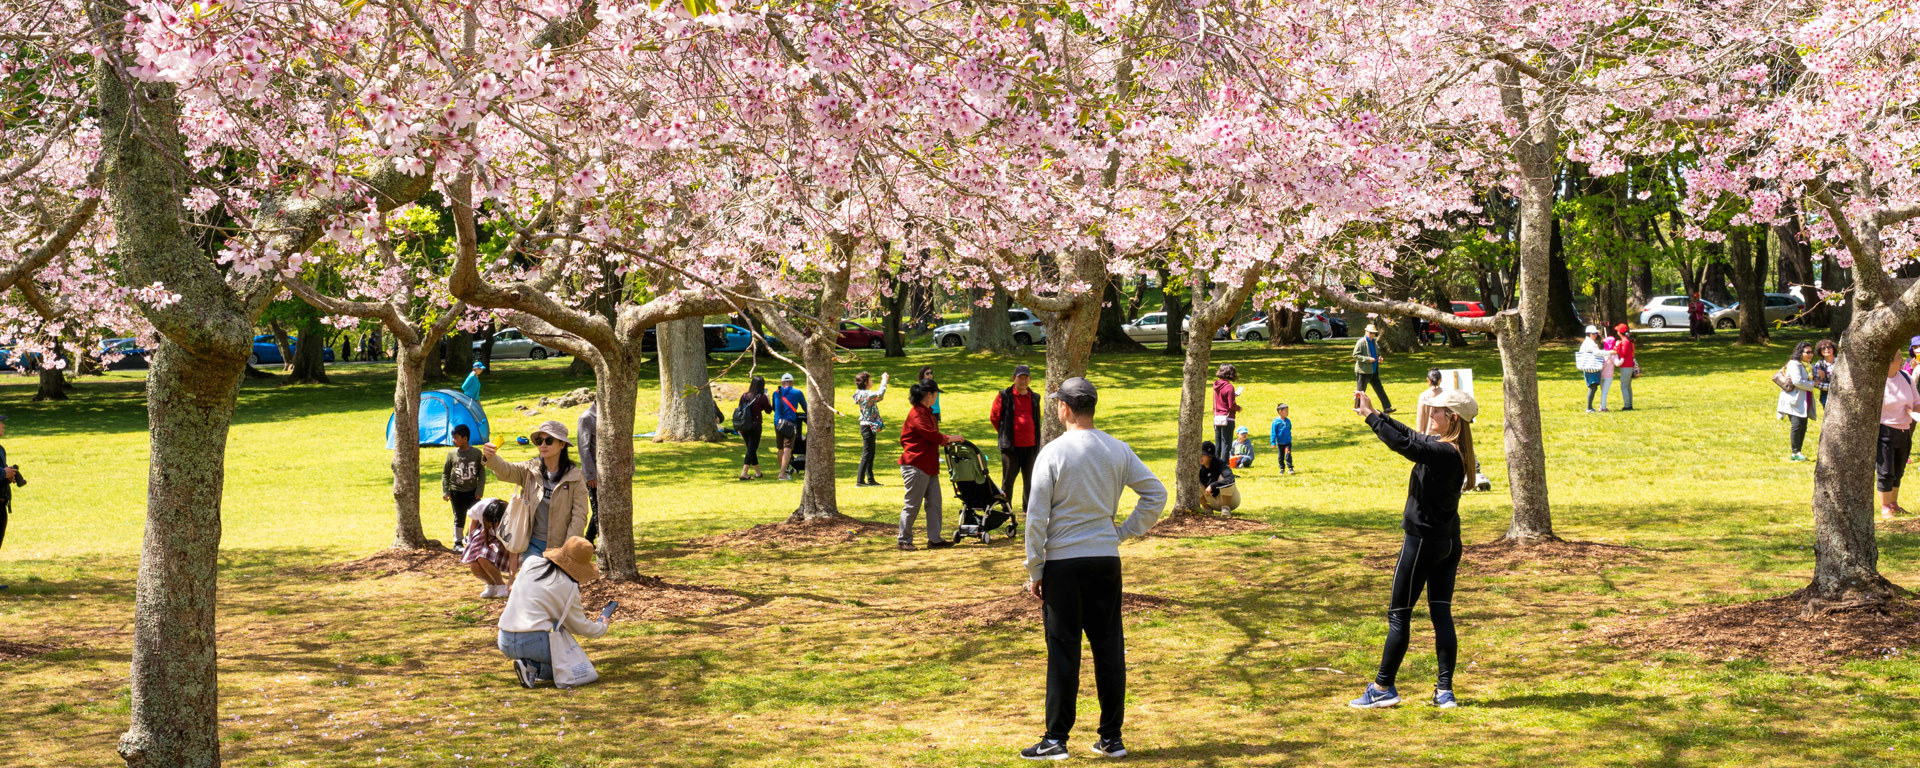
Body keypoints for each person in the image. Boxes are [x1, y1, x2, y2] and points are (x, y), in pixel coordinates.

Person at [1019, 377, 1166, 760]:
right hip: (1105, 560)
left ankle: (1056, 739)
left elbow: (1036, 517)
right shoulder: (1116, 449)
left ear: (1064, 408)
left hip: (1064, 563)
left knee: (1064, 649)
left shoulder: (1052, 453)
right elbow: (1156, 493)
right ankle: (1111, 737)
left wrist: (1035, 568)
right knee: (1108, 646)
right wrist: (1122, 532)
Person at [1347, 387, 1476, 711]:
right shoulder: (1454, 449)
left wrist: (1370, 421)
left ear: (1452, 417)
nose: (1430, 414)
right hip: (1448, 542)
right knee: (1441, 614)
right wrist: (1374, 413)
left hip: (1423, 543)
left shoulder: (1443, 453)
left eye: (1436, 411)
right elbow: (1412, 436)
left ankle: (1382, 687)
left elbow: (1404, 444)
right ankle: (1444, 692)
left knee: (1398, 615)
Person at [496, 536, 611, 688]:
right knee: (573, 665)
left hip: (504, 638)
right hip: (534, 641)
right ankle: (532, 667)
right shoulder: (568, 586)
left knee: (563, 663)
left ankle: (529, 665)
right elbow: (579, 625)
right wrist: (601, 625)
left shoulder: (531, 563)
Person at [482, 420, 592, 567]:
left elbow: (579, 516)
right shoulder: (530, 470)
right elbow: (506, 471)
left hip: (561, 546)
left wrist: (568, 549)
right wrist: (491, 457)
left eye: (549, 440)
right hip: (532, 544)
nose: (543, 445)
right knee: (532, 582)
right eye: (539, 441)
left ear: (562, 444)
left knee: (554, 587)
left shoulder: (575, 477)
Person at [899, 381, 962, 552]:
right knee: (912, 504)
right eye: (936, 393)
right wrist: (949, 438)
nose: (937, 396)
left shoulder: (927, 412)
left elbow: (930, 437)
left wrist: (945, 442)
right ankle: (904, 539)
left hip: (929, 465)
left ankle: (935, 539)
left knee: (934, 503)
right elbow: (929, 434)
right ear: (929, 395)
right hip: (916, 465)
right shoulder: (917, 414)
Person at [991, 364, 1042, 512]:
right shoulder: (1004, 395)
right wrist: (1005, 434)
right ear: (1014, 378)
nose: (1023, 381)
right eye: (1020, 378)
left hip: (1031, 446)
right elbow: (994, 417)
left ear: (1030, 379)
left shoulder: (1035, 397)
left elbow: (1036, 419)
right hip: (1010, 448)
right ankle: (1006, 508)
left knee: (1030, 480)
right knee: (1008, 480)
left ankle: (1028, 508)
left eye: (1026, 378)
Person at [1880, 356, 1920, 518]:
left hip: (1905, 429)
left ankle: (1894, 503)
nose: (1902, 359)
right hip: (1885, 430)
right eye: (1898, 356)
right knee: (1886, 470)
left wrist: (1916, 412)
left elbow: (1917, 400)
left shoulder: (1905, 376)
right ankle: (1885, 507)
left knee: (1899, 469)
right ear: (1889, 360)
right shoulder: (1880, 380)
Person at [442, 424, 487, 547]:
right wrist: (446, 491)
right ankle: (457, 542)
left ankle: (470, 536)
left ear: (465, 439)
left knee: (478, 514)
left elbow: (482, 473)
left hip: (473, 493)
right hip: (456, 493)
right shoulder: (451, 454)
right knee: (459, 517)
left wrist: (480, 489)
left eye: (455, 438)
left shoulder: (477, 453)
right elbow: (445, 473)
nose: (453, 440)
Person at [1775, 342, 1821, 462]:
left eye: (1811, 352)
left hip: (1805, 399)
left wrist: (1818, 379)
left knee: (1803, 426)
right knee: (1797, 425)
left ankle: (1798, 452)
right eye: (1807, 352)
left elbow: (1815, 378)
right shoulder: (1795, 364)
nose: (1810, 355)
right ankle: (1795, 452)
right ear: (1800, 352)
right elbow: (1797, 381)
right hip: (1793, 400)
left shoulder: (1809, 365)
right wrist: (1813, 384)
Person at [461, 498, 513, 597]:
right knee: (474, 566)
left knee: (482, 557)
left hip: (503, 534)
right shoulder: (479, 508)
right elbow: (473, 522)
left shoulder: (508, 513)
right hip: (482, 531)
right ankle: (491, 585)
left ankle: (500, 585)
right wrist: (470, 539)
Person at [853, 371, 889, 487]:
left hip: (868, 425)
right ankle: (860, 481)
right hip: (867, 426)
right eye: (870, 379)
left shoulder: (861, 393)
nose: (872, 381)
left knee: (871, 453)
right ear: (865, 382)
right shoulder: (866, 394)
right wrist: (884, 381)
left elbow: (877, 399)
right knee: (867, 453)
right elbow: (880, 394)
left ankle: (870, 479)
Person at [737, 375, 773, 480]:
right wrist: (768, 399)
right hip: (755, 426)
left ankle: (758, 472)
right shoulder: (762, 397)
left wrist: (739, 427)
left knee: (750, 449)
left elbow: (740, 410)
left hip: (744, 425)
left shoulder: (744, 396)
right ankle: (744, 473)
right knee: (751, 449)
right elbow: (769, 410)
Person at [1352, 323, 1395, 413]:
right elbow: (1355, 355)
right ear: (1366, 332)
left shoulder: (1374, 343)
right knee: (1360, 392)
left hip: (1374, 371)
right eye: (1370, 333)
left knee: (1380, 389)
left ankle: (1387, 408)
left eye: (1373, 333)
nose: (1372, 335)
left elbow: (1377, 354)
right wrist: (1368, 359)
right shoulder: (1361, 342)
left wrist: (1379, 358)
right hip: (1363, 371)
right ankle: (1358, 408)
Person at [773, 373, 808, 481]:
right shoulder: (797, 393)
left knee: (780, 448)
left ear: (782, 383)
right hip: (789, 423)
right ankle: (782, 473)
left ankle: (783, 470)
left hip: (777, 423)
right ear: (792, 382)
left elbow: (774, 407)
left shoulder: (776, 393)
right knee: (788, 448)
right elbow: (806, 407)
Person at [577, 398, 600, 543]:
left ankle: (588, 539)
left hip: (610, 473)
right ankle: (597, 540)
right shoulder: (587, 418)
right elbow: (583, 449)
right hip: (594, 474)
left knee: (602, 508)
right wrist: (590, 475)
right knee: (599, 510)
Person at [0, 414, 19, 583]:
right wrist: (2, 473)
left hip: (1, 502)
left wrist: (9, 475)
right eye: (1, 423)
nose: (3, 426)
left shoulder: (1, 449)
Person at [1198, 441, 1241, 513]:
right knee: (1193, 481)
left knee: (1223, 478)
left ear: (1210, 457)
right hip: (1211, 501)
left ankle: (1225, 509)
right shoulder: (1198, 467)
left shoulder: (1220, 464)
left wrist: (1212, 485)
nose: (1200, 457)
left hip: (1231, 502)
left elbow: (1230, 479)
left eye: (1203, 455)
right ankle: (1207, 508)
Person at [1212, 363, 1242, 451]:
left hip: (1217, 417)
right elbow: (1231, 405)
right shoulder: (1229, 387)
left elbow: (1221, 398)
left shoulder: (1216, 386)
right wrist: (1239, 408)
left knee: (1218, 444)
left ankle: (1216, 463)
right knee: (1226, 444)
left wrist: (1233, 395)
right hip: (1228, 418)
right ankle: (1225, 464)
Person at [1576, 326, 1606, 413]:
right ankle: (1589, 408)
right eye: (1594, 333)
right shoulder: (1589, 343)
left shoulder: (1588, 342)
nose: (1595, 335)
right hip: (1591, 368)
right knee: (1592, 387)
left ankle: (1590, 407)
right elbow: (1597, 353)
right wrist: (1608, 352)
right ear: (1589, 334)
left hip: (1590, 368)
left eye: (1596, 333)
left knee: (1593, 387)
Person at [1610, 323, 1638, 411]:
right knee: (1628, 386)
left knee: (1624, 386)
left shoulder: (1625, 341)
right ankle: (1629, 404)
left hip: (1626, 366)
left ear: (1620, 332)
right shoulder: (1627, 340)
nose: (1617, 332)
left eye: (1618, 330)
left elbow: (1623, 354)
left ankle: (1627, 406)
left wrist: (1617, 347)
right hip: (1629, 365)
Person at [1414, 368, 1445, 434]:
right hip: (1444, 435)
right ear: (1441, 380)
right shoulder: (1447, 394)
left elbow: (1420, 419)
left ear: (1428, 380)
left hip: (1428, 437)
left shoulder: (1424, 396)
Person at [1813, 339, 1839, 415]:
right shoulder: (1819, 365)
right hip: (1826, 395)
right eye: (1823, 348)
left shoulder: (1840, 361)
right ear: (1820, 351)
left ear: (1833, 348)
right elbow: (1817, 383)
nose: (1826, 349)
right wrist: (1834, 387)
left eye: (1829, 347)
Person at [1598, 327, 1620, 412]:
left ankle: (1602, 405)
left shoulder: (1602, 352)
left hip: (1600, 375)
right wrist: (1622, 359)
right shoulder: (1613, 354)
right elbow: (1617, 363)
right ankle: (1603, 408)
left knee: (1602, 391)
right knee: (1605, 392)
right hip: (1608, 376)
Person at [1270, 403, 1295, 474]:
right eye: (1286, 411)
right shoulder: (1275, 422)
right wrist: (1273, 442)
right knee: (1281, 456)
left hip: (1287, 442)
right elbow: (1273, 432)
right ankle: (1282, 468)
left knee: (1288, 454)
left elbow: (1290, 428)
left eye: (1288, 411)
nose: (1287, 413)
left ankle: (1290, 468)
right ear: (1280, 411)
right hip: (1280, 443)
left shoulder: (1288, 421)